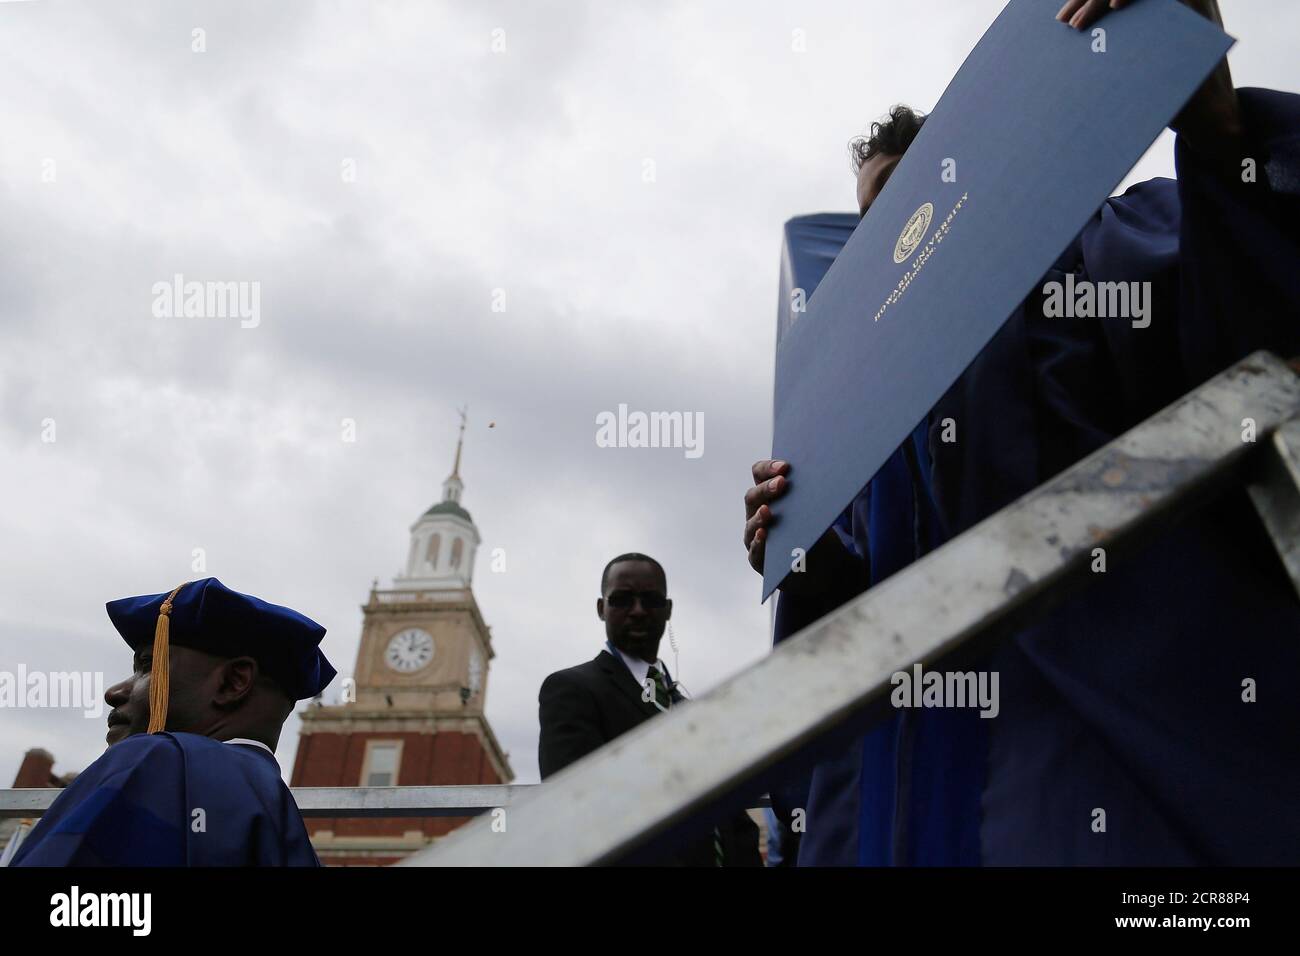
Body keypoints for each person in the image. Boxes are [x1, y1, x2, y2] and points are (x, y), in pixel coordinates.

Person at [744, 0, 1300, 865]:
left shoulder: (1102, 247)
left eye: (903, 196)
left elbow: (1252, 332)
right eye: (865, 219)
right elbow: (849, 630)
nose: (880, 235)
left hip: (1100, 774)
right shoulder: (864, 429)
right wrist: (800, 543)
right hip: (902, 809)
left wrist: (1219, 125)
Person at [13, 577, 335, 866]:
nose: (115, 692)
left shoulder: (157, 762)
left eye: (147, 666)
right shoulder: (286, 825)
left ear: (233, 683)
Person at [538, 553, 762, 866]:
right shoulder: (572, 690)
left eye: (651, 600)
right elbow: (575, 812)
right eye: (622, 600)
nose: (638, 611)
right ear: (601, 608)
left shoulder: (689, 710)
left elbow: (733, 819)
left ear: (668, 610)